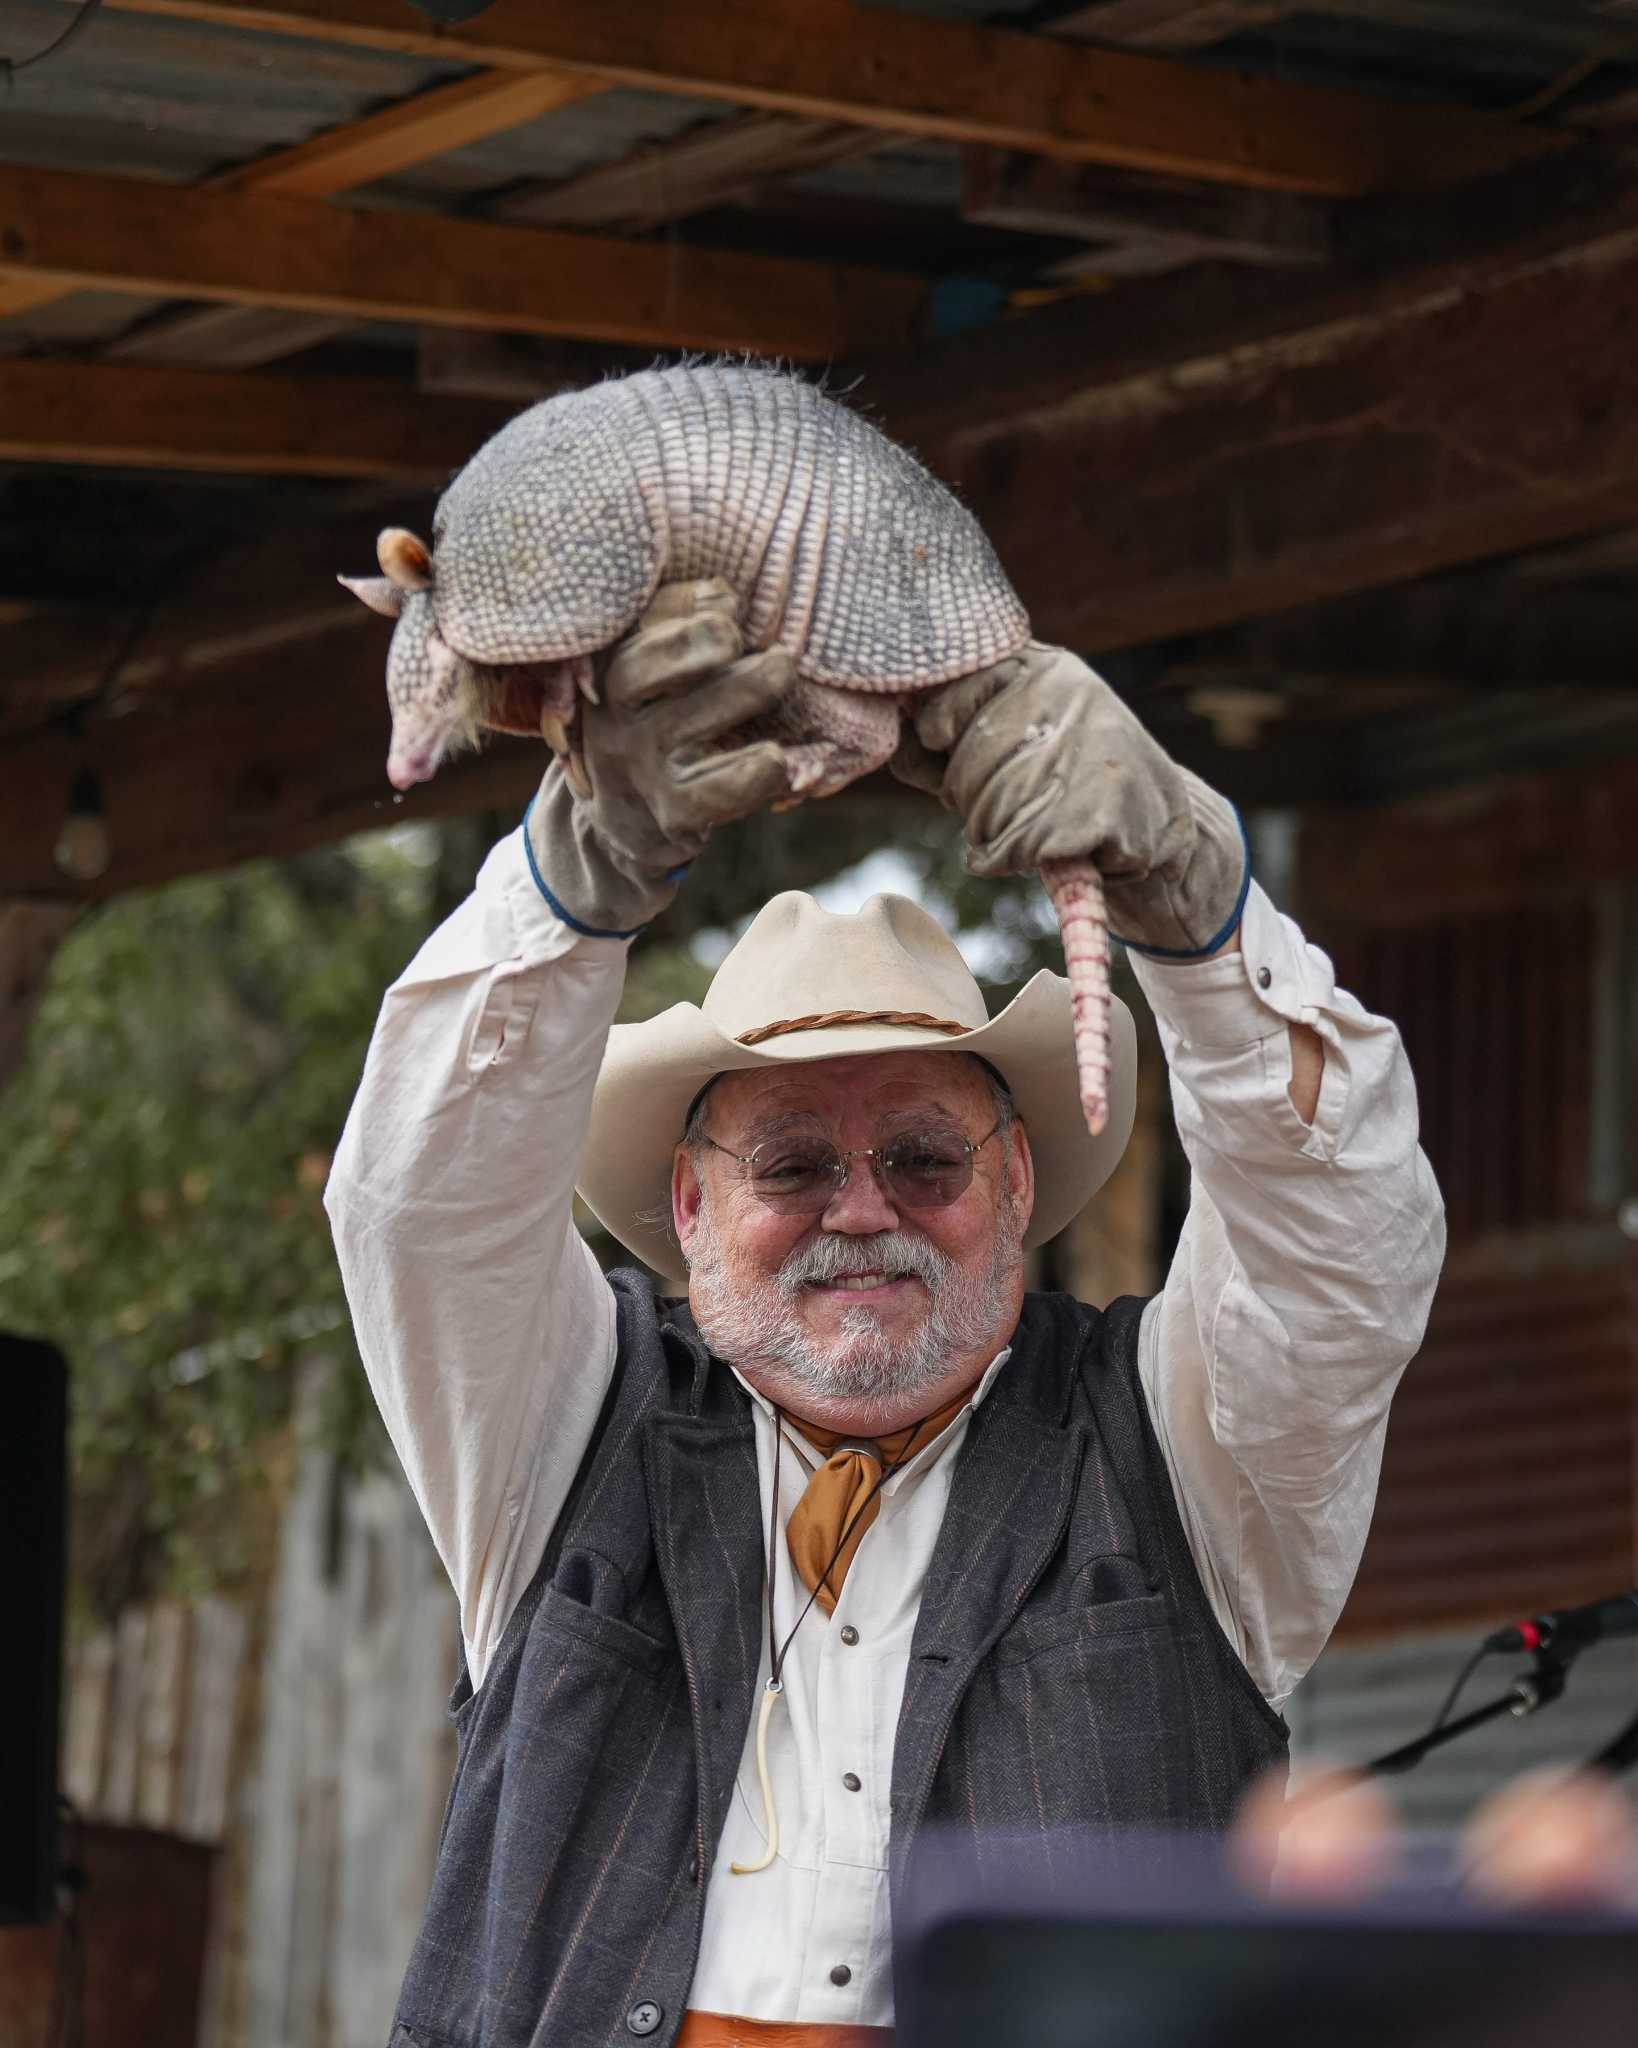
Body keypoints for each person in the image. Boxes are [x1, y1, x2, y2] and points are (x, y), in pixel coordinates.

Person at [326, 579, 1445, 2047]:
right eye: (791, 1164)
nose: (862, 1210)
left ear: (1014, 1175)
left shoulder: (1177, 1440)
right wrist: (570, 872)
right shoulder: (564, 1422)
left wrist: (1192, 892)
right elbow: (418, 1205)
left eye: (922, 1157)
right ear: (686, 1209)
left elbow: (1341, 1247)